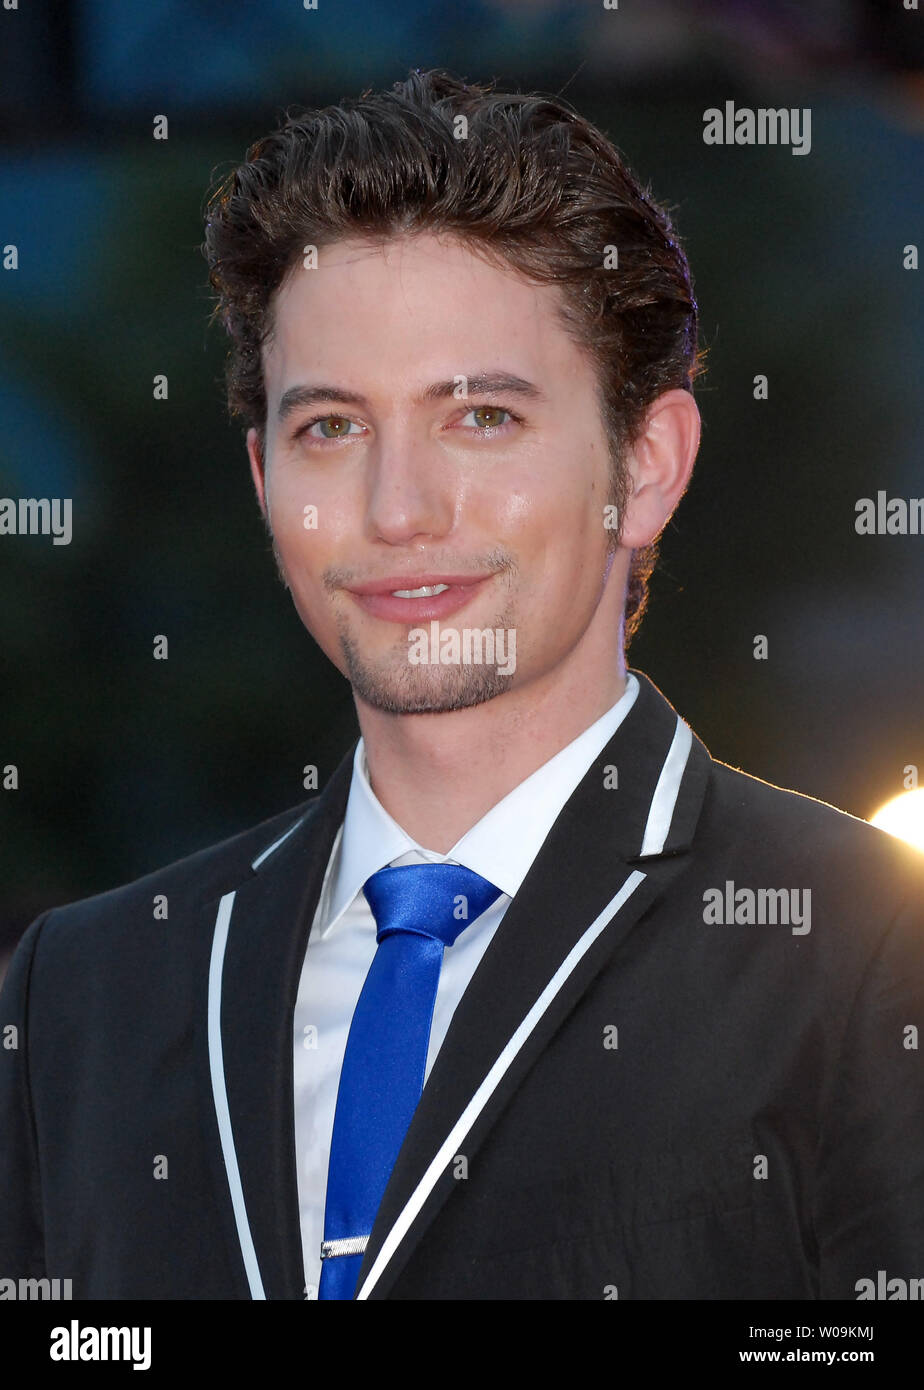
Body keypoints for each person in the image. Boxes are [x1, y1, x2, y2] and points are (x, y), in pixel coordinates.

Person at [2, 68, 923, 1302]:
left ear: (645, 466)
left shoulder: (866, 950)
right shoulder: (86, 994)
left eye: (481, 416)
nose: (396, 510)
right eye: (331, 426)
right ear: (263, 476)